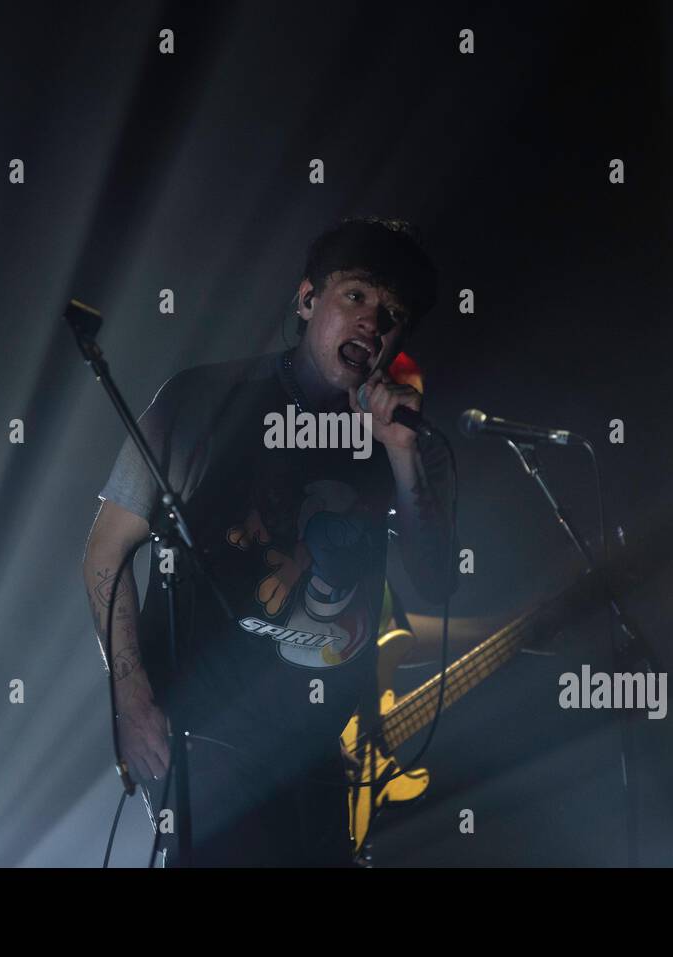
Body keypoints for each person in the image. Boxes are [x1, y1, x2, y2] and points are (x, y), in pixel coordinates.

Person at [83, 216, 455, 866]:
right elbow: (105, 553)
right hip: (209, 745)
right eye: (356, 295)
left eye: (393, 314)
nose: (372, 322)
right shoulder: (205, 400)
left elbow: (436, 580)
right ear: (308, 298)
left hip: (319, 758)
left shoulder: (407, 441)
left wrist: (402, 455)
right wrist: (132, 697)